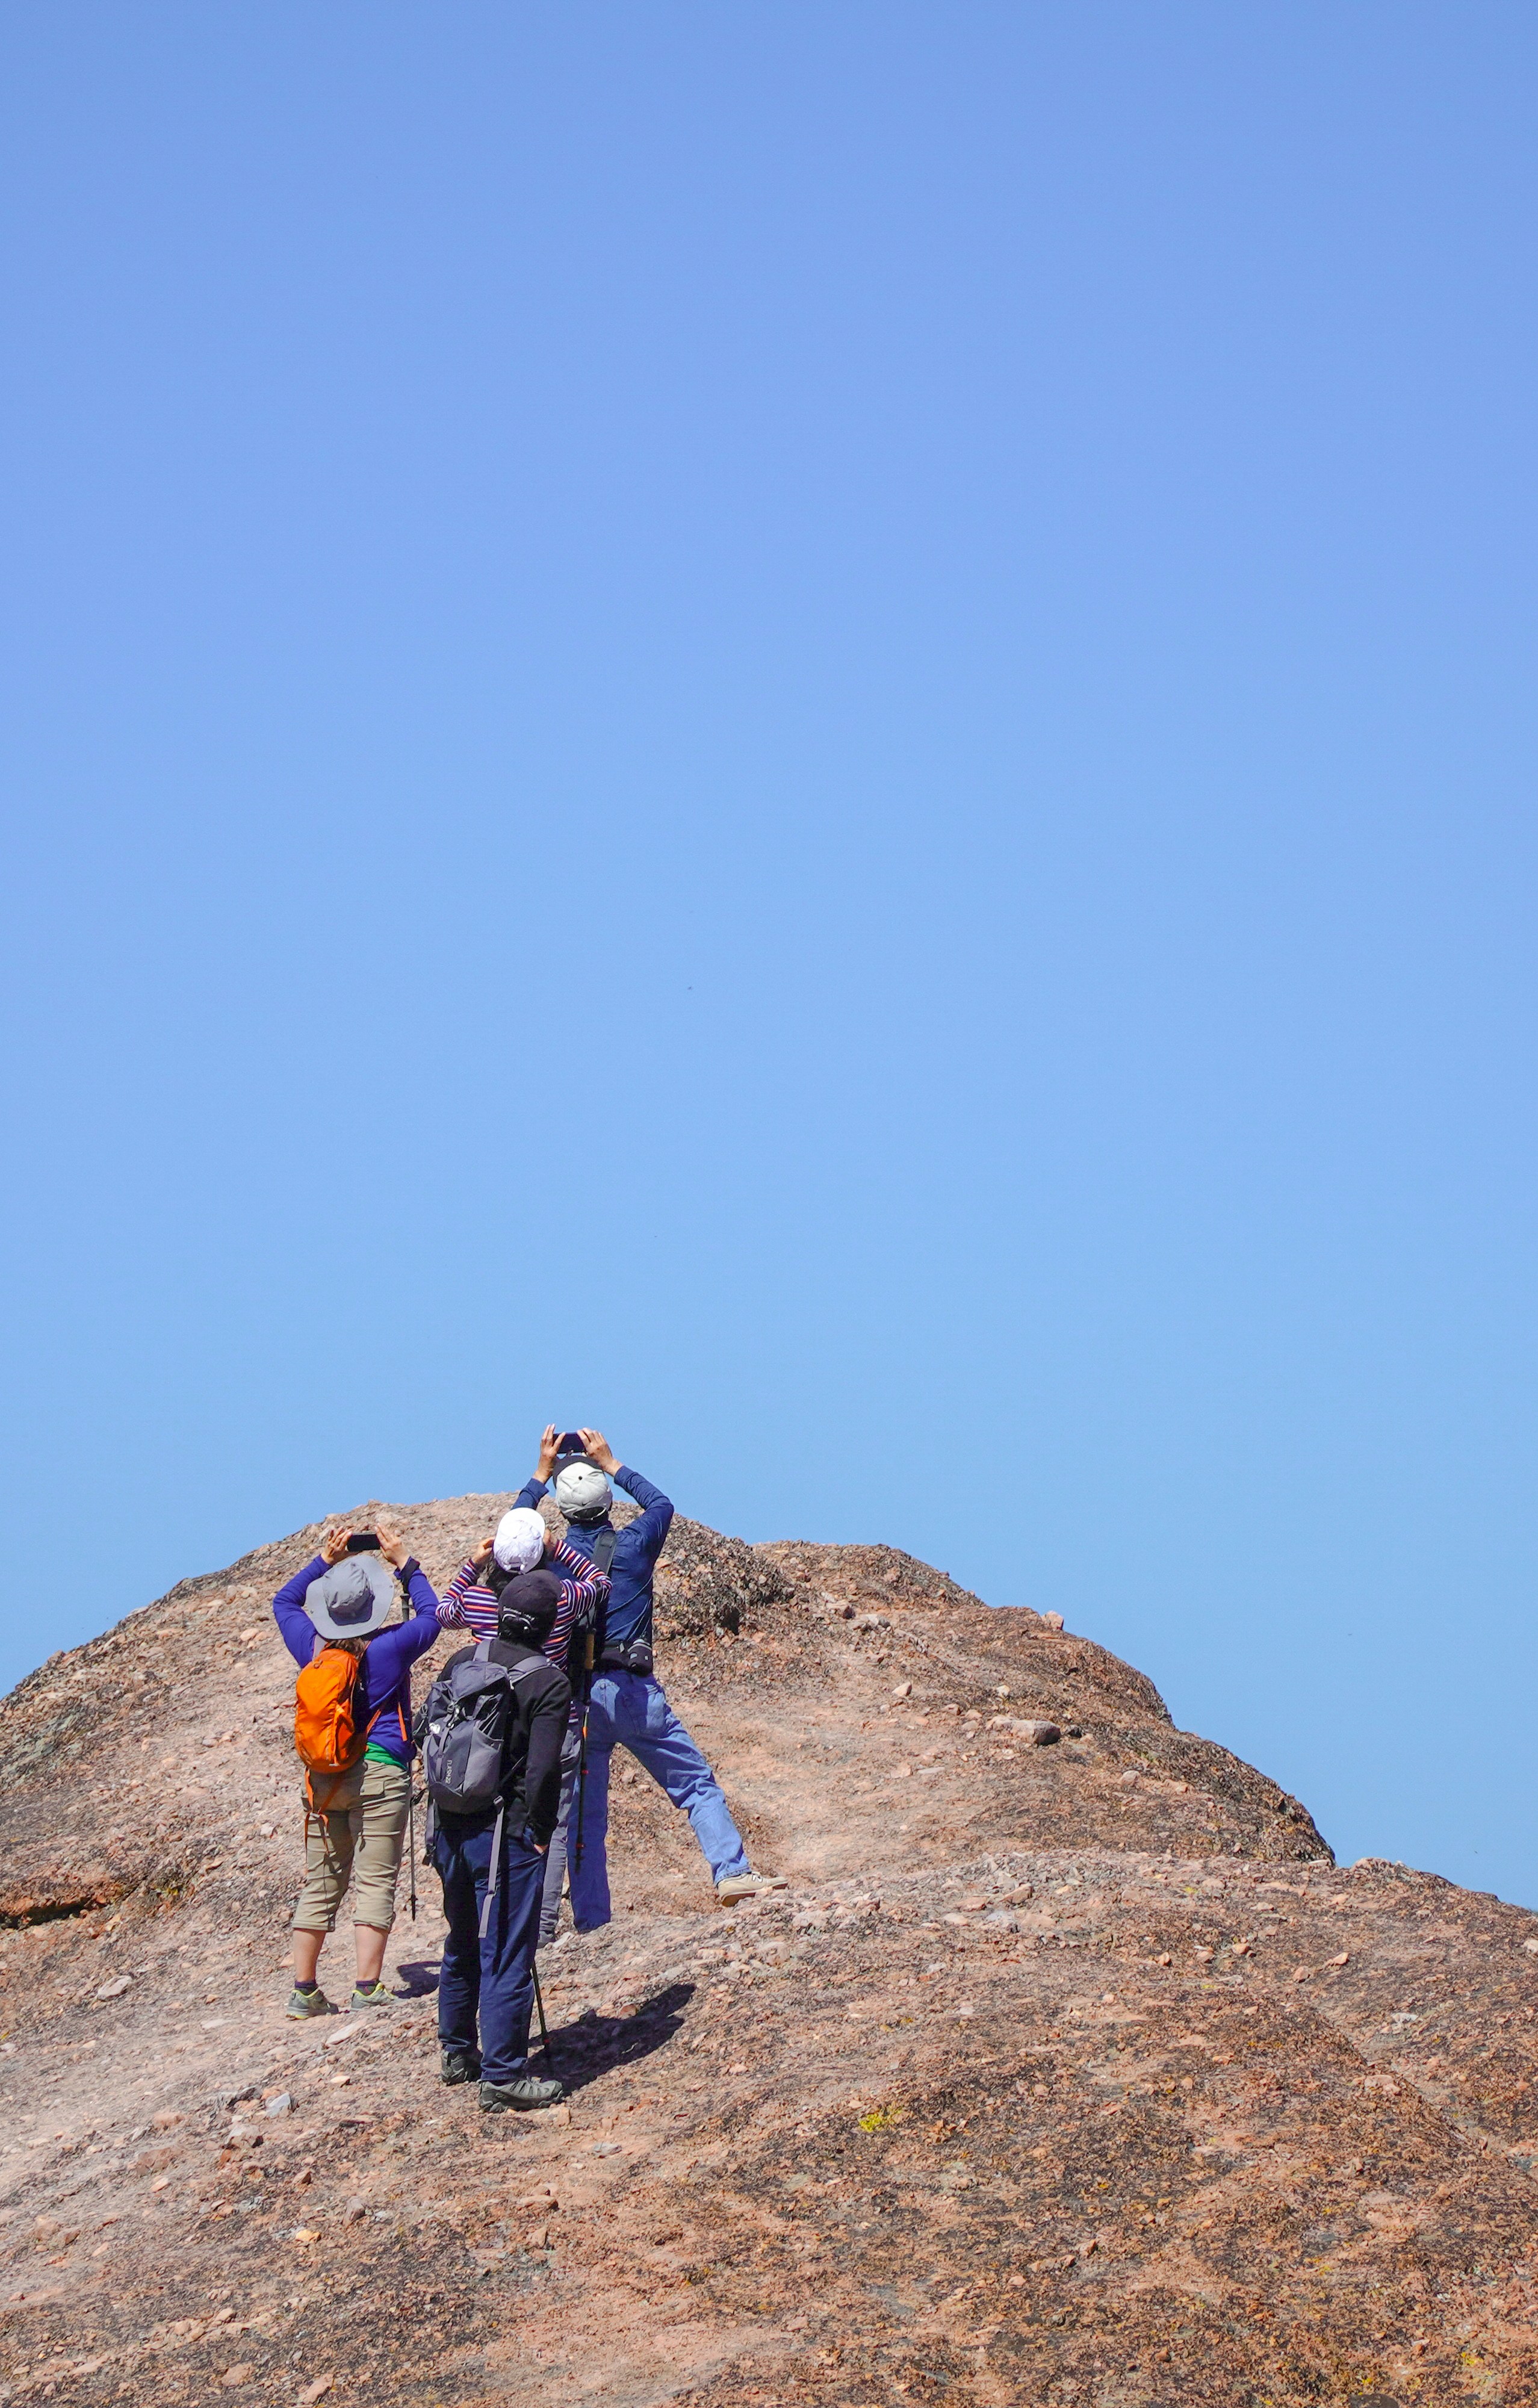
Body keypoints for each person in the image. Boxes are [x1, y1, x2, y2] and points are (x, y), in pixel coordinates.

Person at [513, 1426, 786, 1936]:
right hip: (636, 1692)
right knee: (694, 1785)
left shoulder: (550, 1556)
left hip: (580, 1700)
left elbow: (515, 1531)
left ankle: (593, 1921)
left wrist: (538, 1473)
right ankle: (731, 1873)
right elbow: (660, 1504)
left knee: (585, 1825)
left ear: (563, 1510)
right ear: (606, 1499)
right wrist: (613, 1463)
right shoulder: (637, 1543)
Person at [271, 1520, 442, 2019]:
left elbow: (284, 1601)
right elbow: (433, 1614)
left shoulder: (313, 1649)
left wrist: (324, 1560)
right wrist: (406, 1563)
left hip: (324, 1776)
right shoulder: (391, 1647)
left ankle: (304, 1990)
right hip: (381, 1771)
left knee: (321, 1878)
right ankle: (366, 1986)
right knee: (374, 1879)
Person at [427, 1558, 572, 2109]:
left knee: (462, 1939)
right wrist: (537, 1832)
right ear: (549, 1625)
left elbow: (430, 1734)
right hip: (504, 1835)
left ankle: (458, 2052)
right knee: (508, 1947)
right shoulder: (548, 1682)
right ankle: (505, 2074)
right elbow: (542, 1771)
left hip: (450, 1828)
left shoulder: (462, 1660)